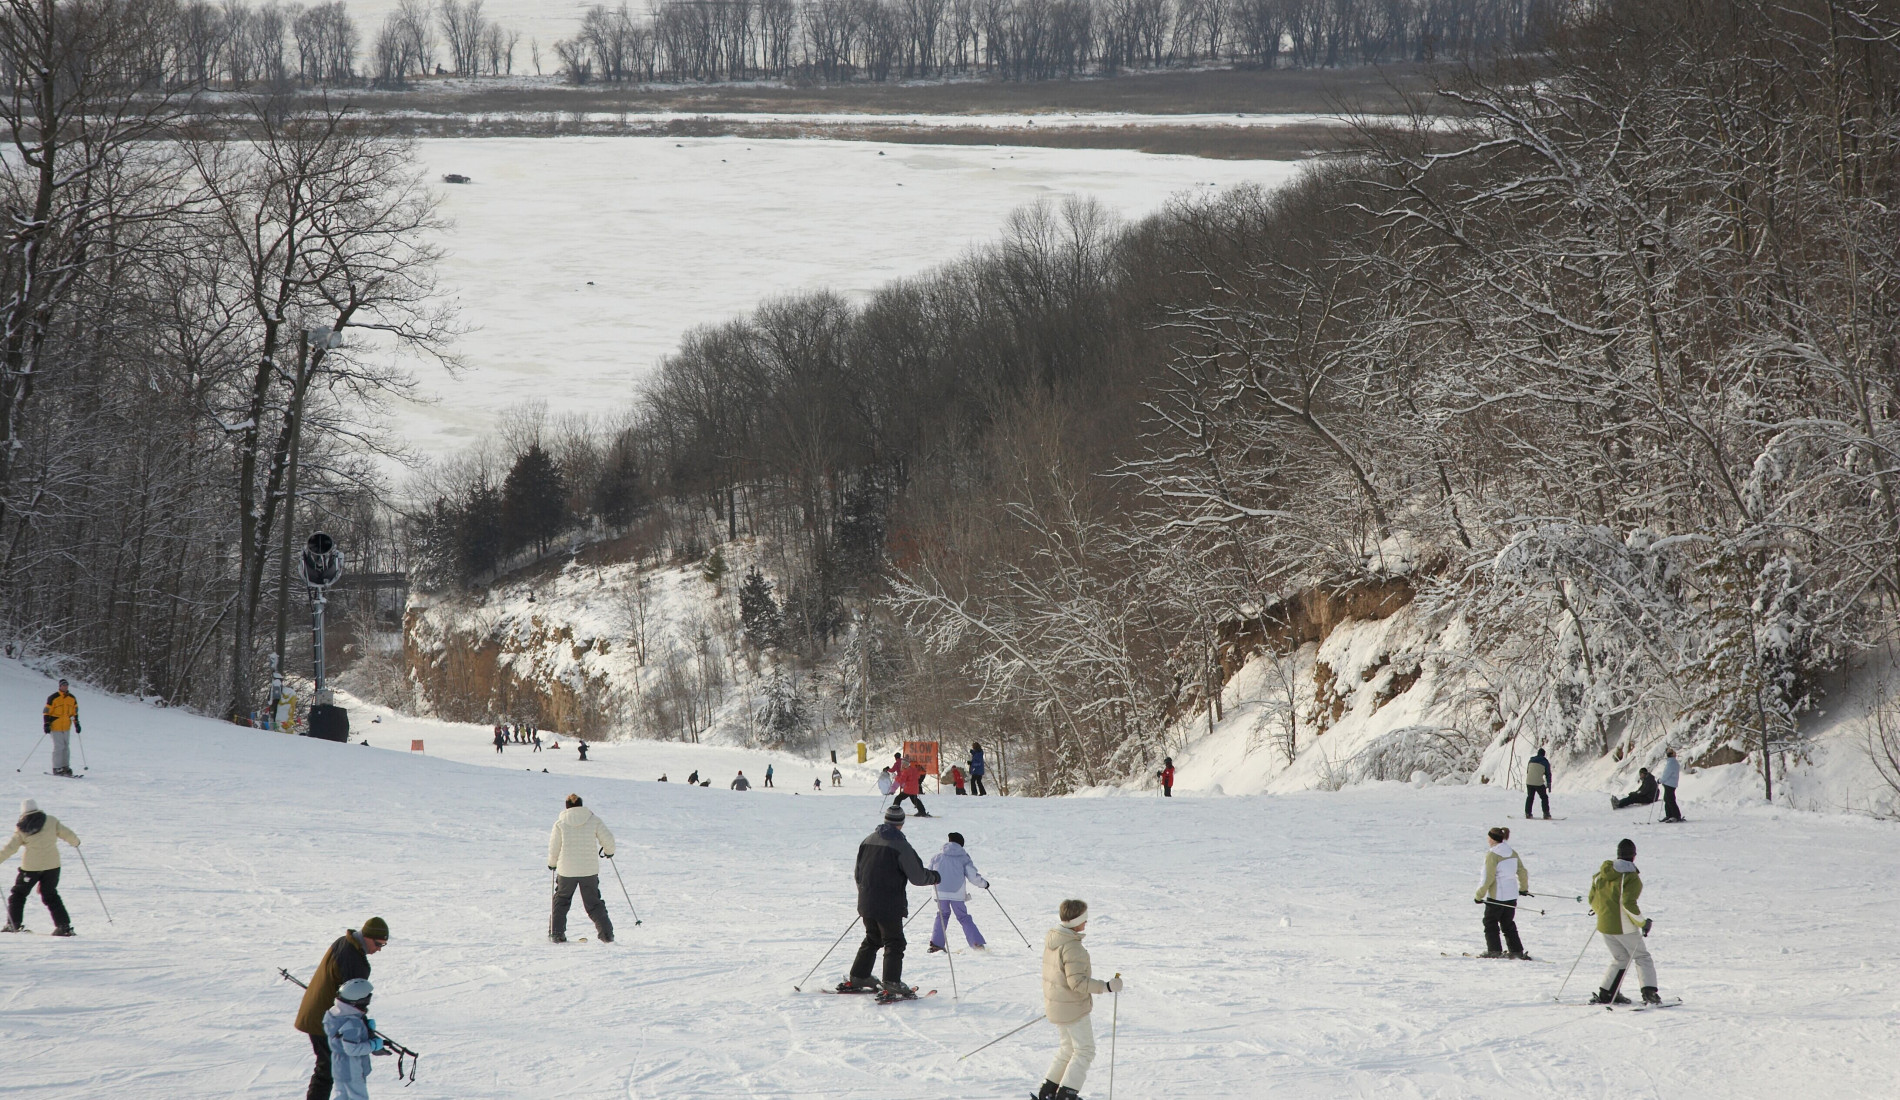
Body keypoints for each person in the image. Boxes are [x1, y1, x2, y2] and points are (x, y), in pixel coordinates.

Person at [839, 804, 940, 1000]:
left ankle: (859, 976)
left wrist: (866, 894)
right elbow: (918, 877)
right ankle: (892, 983)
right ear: (901, 823)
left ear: (885, 820)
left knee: (873, 937)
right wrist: (934, 876)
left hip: (867, 899)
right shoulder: (901, 846)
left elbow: (858, 873)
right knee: (894, 941)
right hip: (889, 903)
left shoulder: (868, 840)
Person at [1034, 899, 1122, 1100]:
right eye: (1085, 919)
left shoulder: (1055, 939)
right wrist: (1107, 986)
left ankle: (1048, 1091)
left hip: (1058, 1005)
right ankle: (1066, 1094)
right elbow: (1077, 983)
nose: (1087, 922)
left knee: (1067, 1049)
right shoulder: (1072, 947)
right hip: (1072, 1007)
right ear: (1076, 920)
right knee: (1085, 1050)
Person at [294, 916, 389, 1100]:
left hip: (319, 1011)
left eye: (383, 945)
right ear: (367, 937)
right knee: (328, 1069)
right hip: (323, 1020)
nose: (379, 949)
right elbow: (353, 1003)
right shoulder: (355, 961)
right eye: (378, 944)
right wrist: (367, 1035)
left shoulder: (344, 942)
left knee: (328, 1067)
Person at [1588, 838, 1662, 1006]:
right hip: (1624, 927)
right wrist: (1643, 923)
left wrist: (1603, 913)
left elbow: (1592, 898)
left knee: (1621, 957)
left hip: (1604, 925)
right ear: (1633, 857)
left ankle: (1607, 993)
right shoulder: (1631, 877)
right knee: (1642, 957)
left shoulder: (1600, 874)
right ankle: (1650, 994)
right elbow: (1628, 904)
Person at [2, 798, 80, 935]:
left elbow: (11, 848)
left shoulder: (22, 827)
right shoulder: (51, 820)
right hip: (53, 866)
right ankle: (64, 927)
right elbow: (67, 834)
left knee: (18, 895)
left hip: (31, 868)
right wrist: (75, 842)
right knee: (50, 895)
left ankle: (13, 924)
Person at [548, 794, 615, 943]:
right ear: (581, 804)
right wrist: (609, 852)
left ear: (566, 807)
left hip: (566, 870)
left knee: (561, 900)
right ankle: (607, 935)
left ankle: (556, 934)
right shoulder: (593, 820)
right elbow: (608, 839)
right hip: (588, 870)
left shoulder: (560, 823)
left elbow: (554, 848)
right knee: (593, 903)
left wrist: (552, 863)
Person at [1474, 826, 1531, 959]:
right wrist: (1523, 888)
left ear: (1493, 839)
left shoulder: (1492, 855)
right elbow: (1522, 871)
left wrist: (1479, 895)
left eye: (1488, 837)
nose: (1487, 840)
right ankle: (1516, 950)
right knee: (1508, 923)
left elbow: (1488, 877)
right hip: (1511, 895)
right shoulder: (1512, 852)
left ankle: (1494, 950)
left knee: (1490, 922)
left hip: (1496, 896)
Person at [323, 977, 384, 1100]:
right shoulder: (352, 1023)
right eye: (367, 998)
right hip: (351, 1070)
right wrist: (373, 1045)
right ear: (358, 1000)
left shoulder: (335, 1014)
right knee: (358, 1097)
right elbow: (352, 1049)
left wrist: (364, 1030)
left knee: (343, 1096)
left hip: (339, 1066)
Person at [927, 831, 988, 953]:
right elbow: (972, 876)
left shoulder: (937, 857)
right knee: (963, 917)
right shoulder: (964, 858)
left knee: (942, 915)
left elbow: (929, 873)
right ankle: (976, 943)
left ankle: (936, 945)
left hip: (940, 892)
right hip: (957, 893)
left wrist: (934, 885)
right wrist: (984, 884)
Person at [42, 679, 79, 776]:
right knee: (59, 747)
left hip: (66, 726)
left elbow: (74, 713)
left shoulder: (72, 698)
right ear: (59, 686)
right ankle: (57, 767)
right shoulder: (53, 698)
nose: (65, 687)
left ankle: (65, 766)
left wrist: (77, 724)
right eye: (63, 685)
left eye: (66, 685)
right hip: (56, 726)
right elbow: (46, 711)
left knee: (66, 746)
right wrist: (46, 724)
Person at [1525, 746, 1552, 819]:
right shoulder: (1545, 761)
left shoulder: (1531, 760)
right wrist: (1549, 784)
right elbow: (1548, 774)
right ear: (1544, 754)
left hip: (1529, 781)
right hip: (1538, 783)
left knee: (1530, 797)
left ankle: (1528, 813)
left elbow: (1528, 771)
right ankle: (1546, 814)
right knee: (1544, 797)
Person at [1659, 748, 1684, 822]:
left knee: (1670, 800)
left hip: (1669, 784)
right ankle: (1669, 815)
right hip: (1670, 783)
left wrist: (1660, 780)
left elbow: (1666, 774)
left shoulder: (1671, 763)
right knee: (1667, 799)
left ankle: (1675, 816)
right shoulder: (1672, 762)